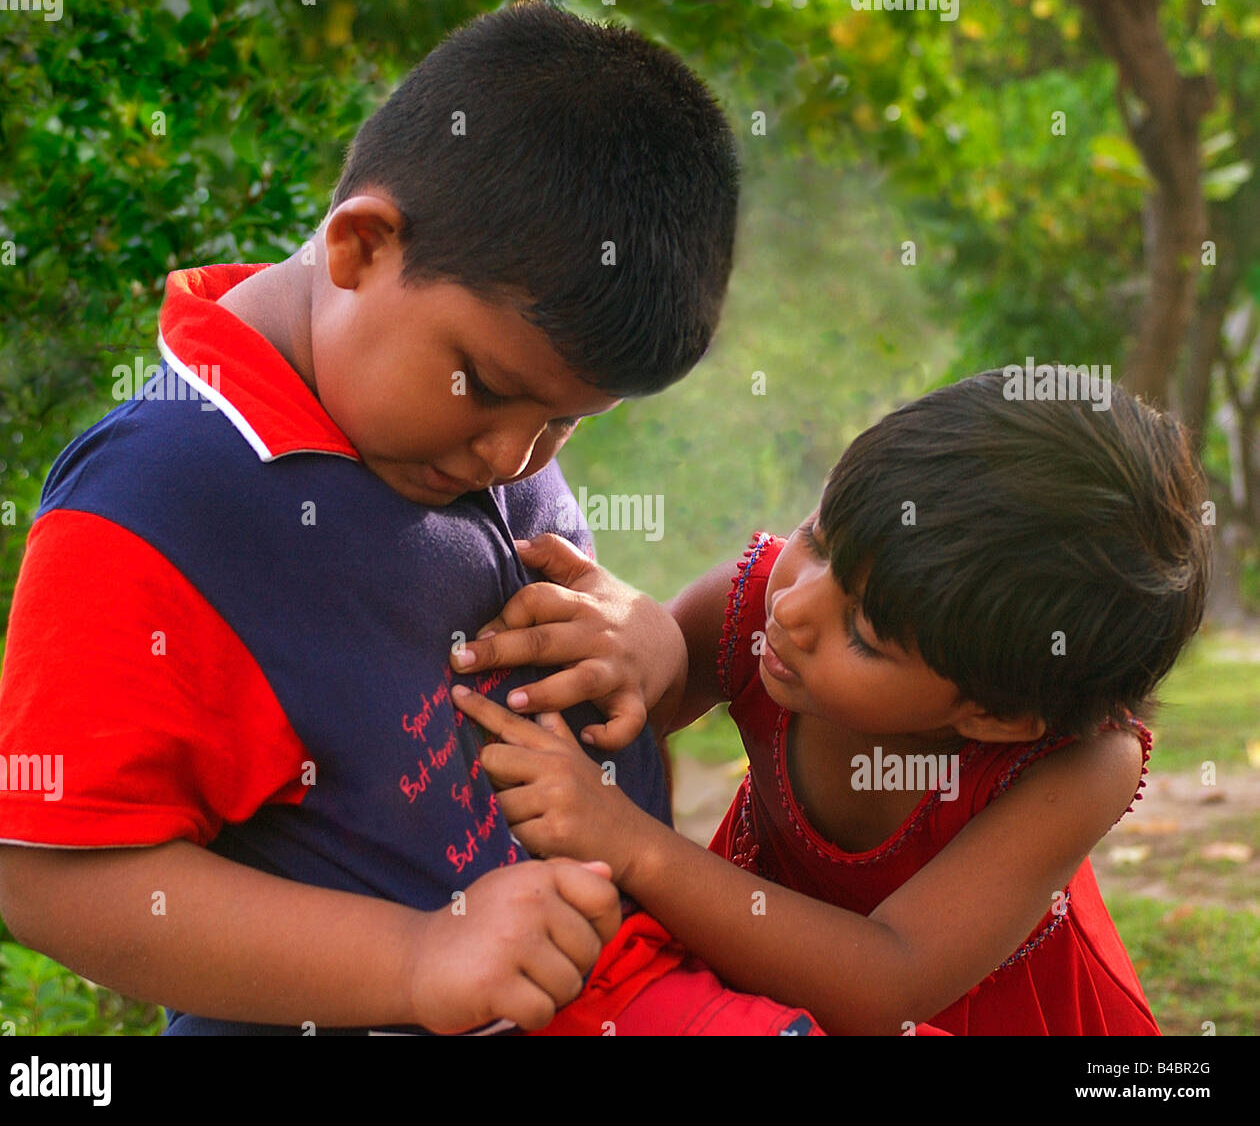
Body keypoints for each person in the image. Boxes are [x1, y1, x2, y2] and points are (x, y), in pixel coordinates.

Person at [0, 0, 813, 1035]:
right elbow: (56, 882)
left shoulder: (455, 425)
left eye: (563, 423)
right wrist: (417, 955)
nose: (511, 455)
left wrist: (645, 647)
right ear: (361, 247)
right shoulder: (156, 502)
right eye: (483, 385)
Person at [449, 370, 1212, 1034]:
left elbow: (892, 985)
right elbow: (641, 700)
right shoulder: (756, 606)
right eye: (820, 534)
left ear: (994, 715)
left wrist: (638, 848)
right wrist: (643, 640)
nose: (797, 606)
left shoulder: (1073, 768)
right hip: (756, 963)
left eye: (866, 632)